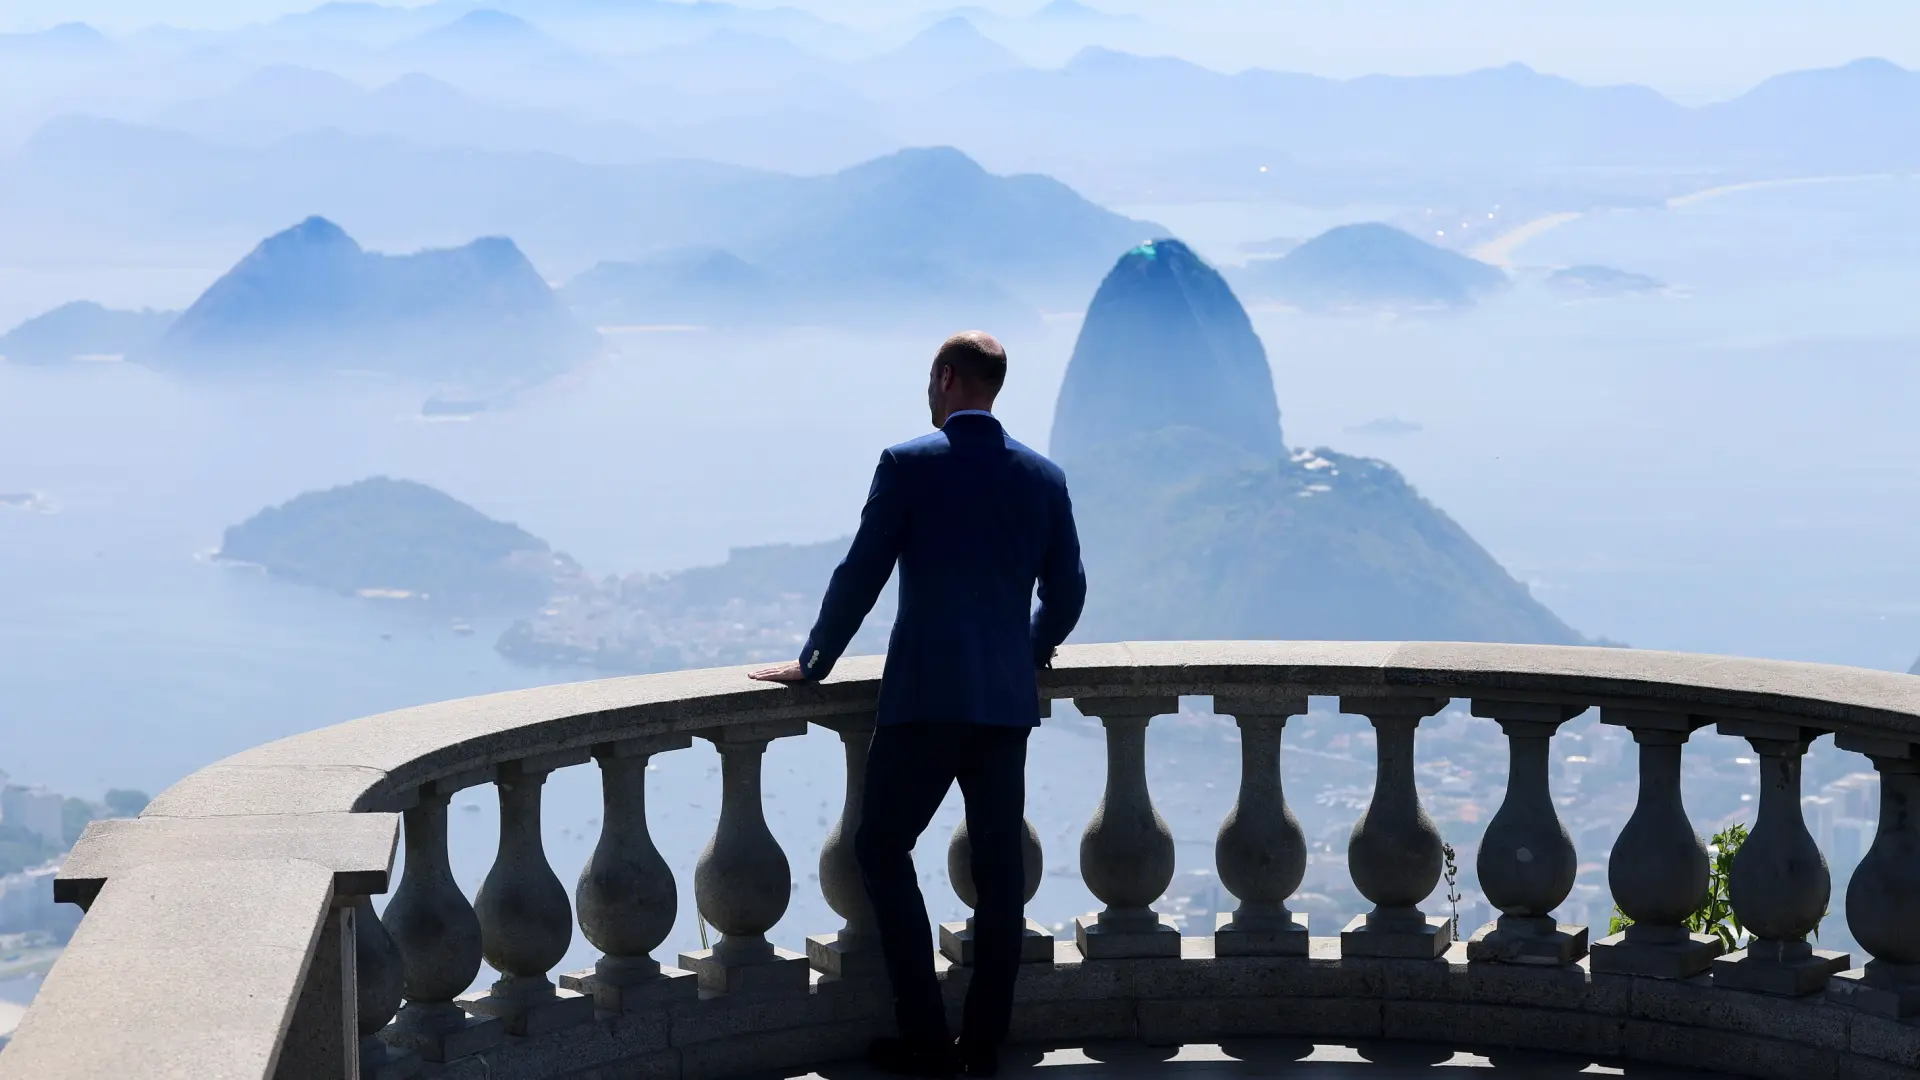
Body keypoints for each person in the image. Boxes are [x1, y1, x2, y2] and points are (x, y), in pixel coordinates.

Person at [750, 331, 1086, 1078]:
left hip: (924, 701)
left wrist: (814, 662)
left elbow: (861, 573)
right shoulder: (1044, 477)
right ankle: (983, 1045)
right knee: (1001, 877)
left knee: (880, 846)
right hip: (1003, 706)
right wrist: (1025, 651)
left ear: (945, 376)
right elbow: (1067, 594)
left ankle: (926, 1037)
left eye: (931, 379)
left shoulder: (907, 464)